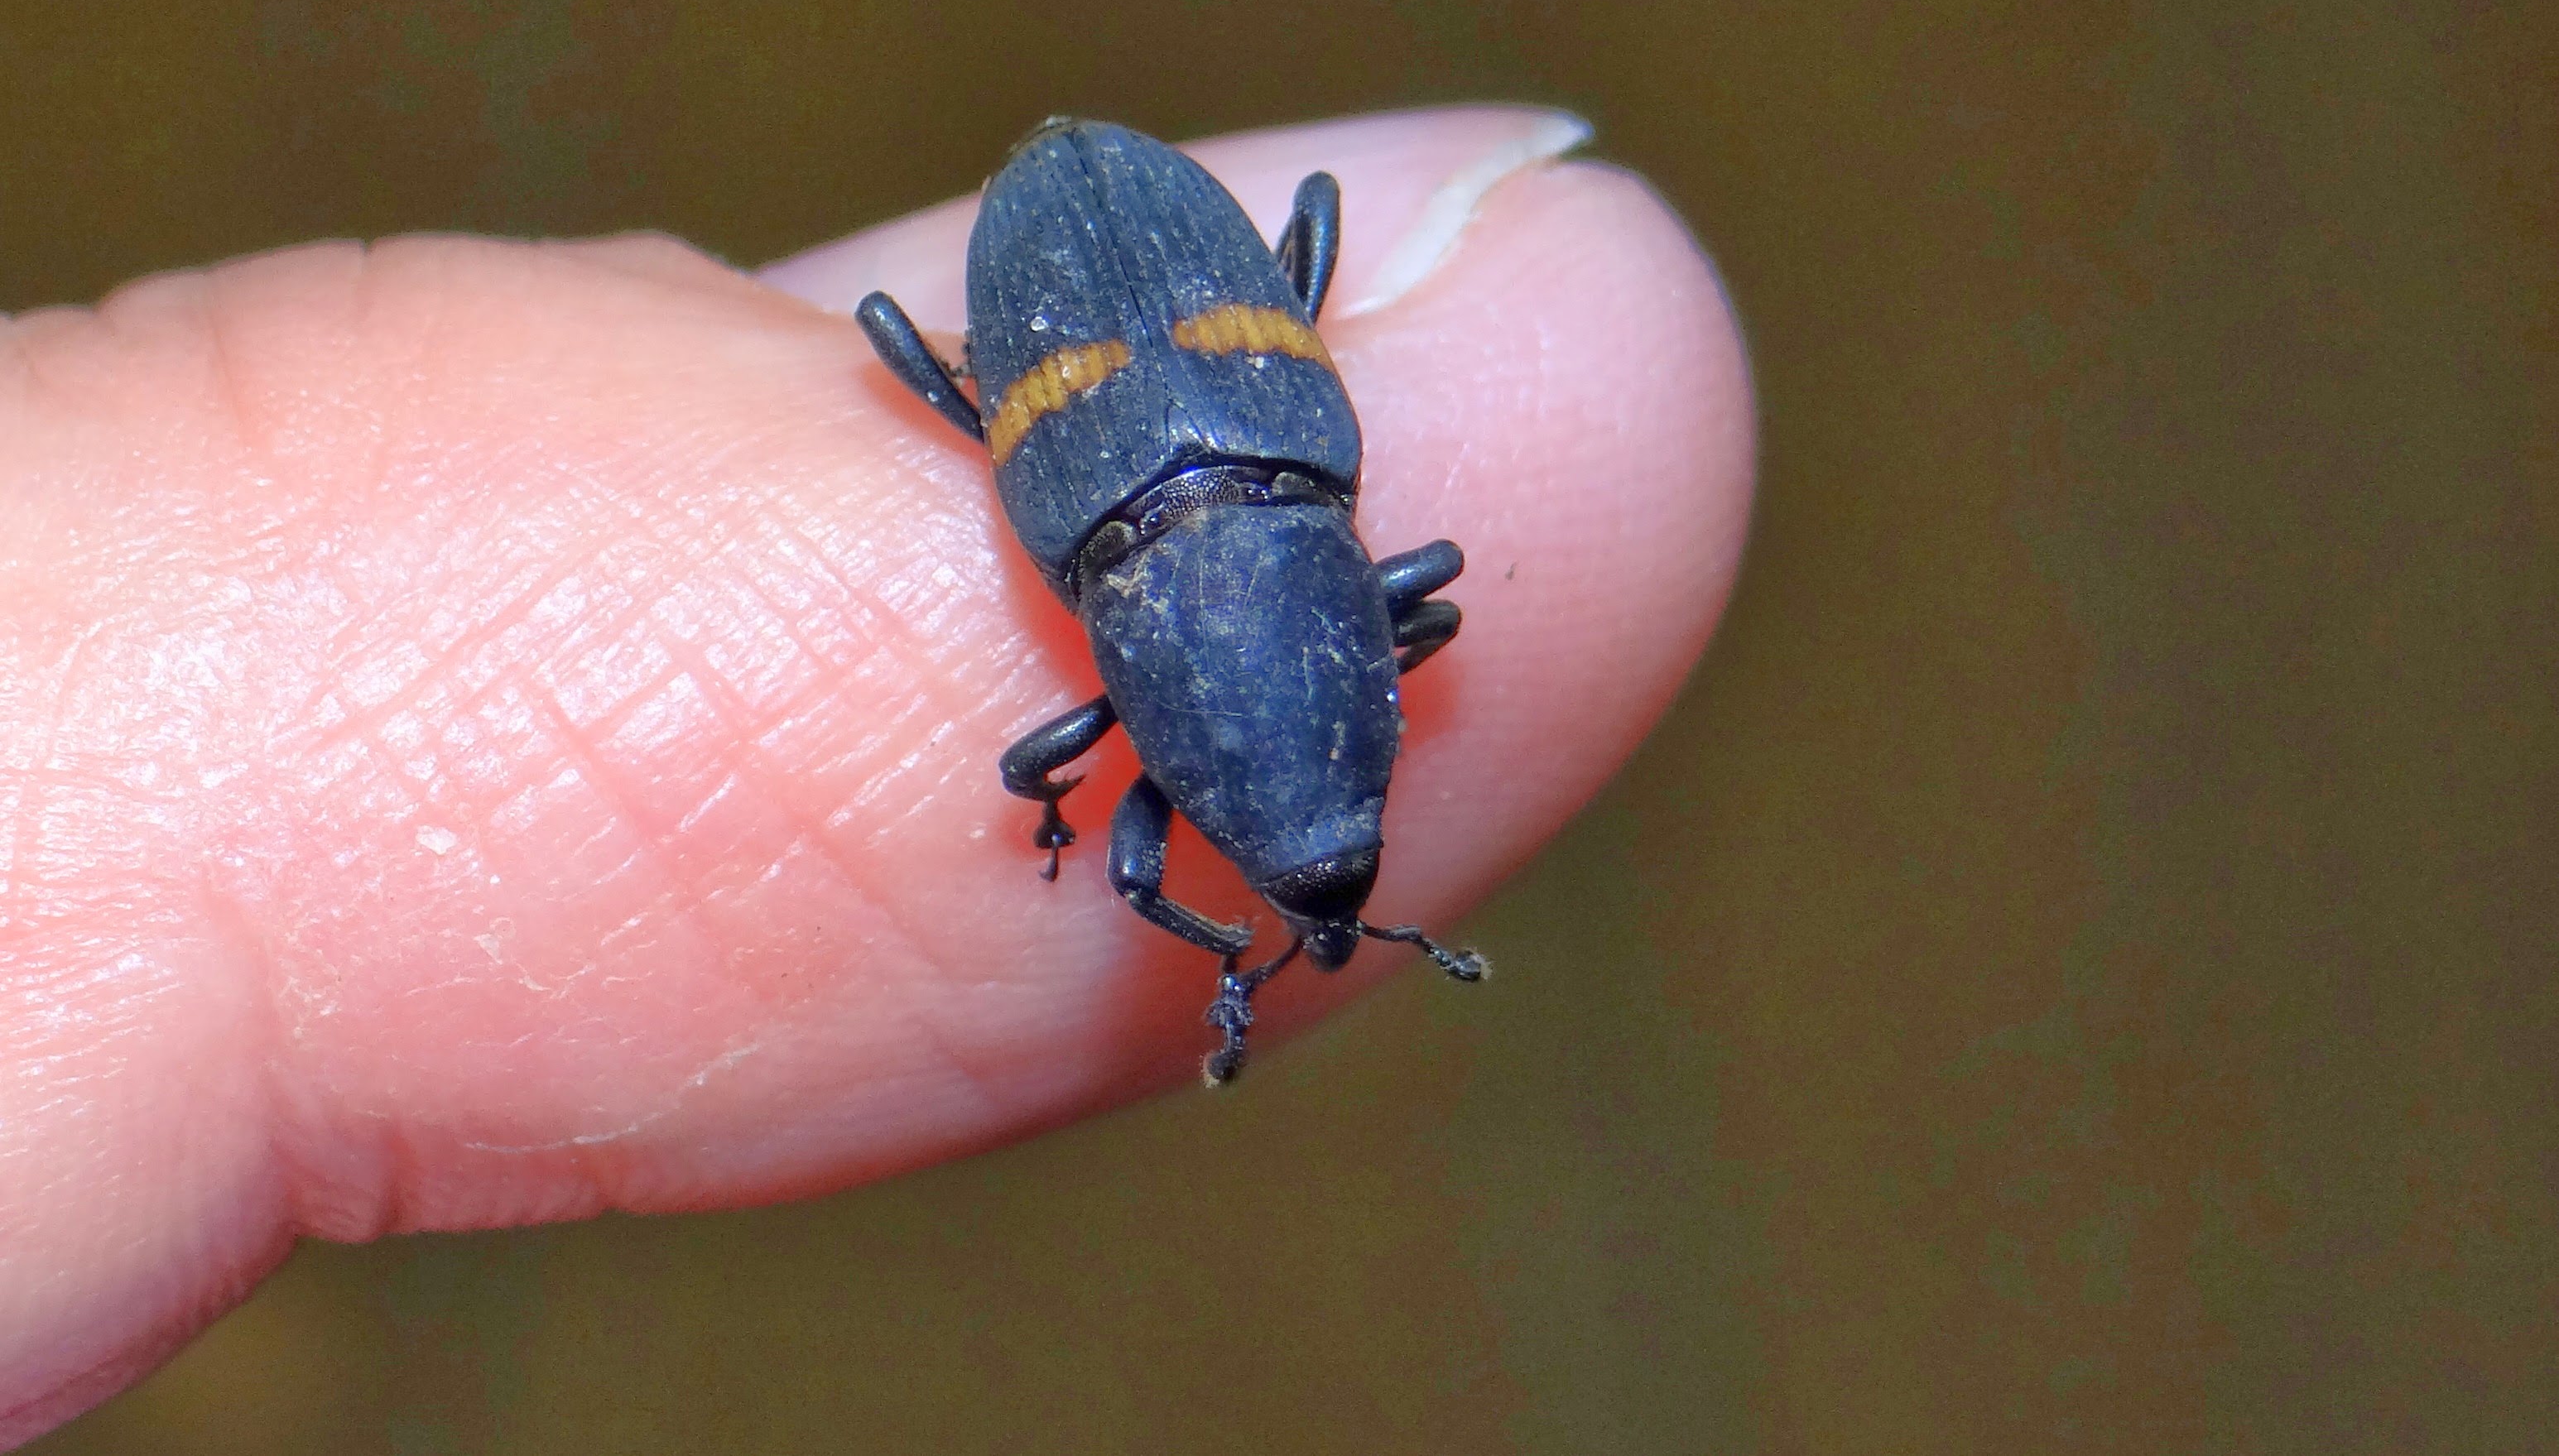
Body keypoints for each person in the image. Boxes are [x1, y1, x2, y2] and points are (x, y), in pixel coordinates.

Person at [0, 108, 1754, 1444]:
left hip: (1172, 422)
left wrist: (1228, 887)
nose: (1300, 879)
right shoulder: (1319, 607)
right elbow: (1164, 794)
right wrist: (1225, 933)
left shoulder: (1296, 606)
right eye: (1307, 833)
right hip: (1161, 388)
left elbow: (1161, 807)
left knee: (953, 419)